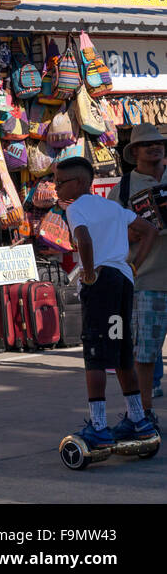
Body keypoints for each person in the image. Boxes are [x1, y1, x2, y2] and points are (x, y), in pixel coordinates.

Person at [56, 156, 158, 444]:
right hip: (124, 281)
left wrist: (88, 274)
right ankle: (139, 420)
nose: (56, 188)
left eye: (60, 183)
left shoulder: (76, 208)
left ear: (78, 183)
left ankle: (98, 426)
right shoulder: (112, 207)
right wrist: (135, 264)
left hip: (101, 283)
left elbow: (84, 241)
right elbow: (149, 230)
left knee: (96, 354)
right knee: (122, 350)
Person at [110, 123, 167, 402]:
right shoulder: (123, 189)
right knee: (144, 354)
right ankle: (144, 417)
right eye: (147, 144)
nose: (155, 147)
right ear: (135, 151)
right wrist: (136, 231)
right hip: (146, 280)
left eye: (158, 143)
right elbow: (109, 232)